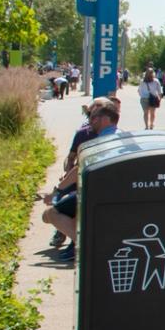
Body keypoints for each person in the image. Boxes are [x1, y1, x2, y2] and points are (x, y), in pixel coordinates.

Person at [42, 100, 121, 250]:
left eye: (94, 118)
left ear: (105, 120)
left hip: (96, 194)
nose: (90, 122)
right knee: (53, 214)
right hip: (112, 192)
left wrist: (57, 191)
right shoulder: (122, 135)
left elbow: (80, 167)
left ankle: (87, 249)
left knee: (52, 213)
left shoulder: (101, 142)